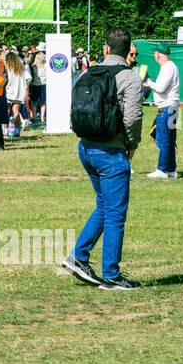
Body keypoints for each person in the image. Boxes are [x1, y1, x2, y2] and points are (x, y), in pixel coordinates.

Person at [61, 27, 144, 291]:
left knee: (104, 207)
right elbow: (132, 118)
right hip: (111, 152)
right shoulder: (130, 78)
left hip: (86, 147)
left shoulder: (89, 71)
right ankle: (111, 275)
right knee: (116, 214)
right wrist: (131, 146)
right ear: (128, 50)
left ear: (106, 48)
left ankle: (78, 257)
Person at [142, 45, 181, 180]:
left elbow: (161, 88)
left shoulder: (168, 67)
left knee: (164, 139)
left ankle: (162, 169)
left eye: (155, 54)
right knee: (169, 139)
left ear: (158, 55)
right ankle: (171, 169)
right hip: (173, 107)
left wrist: (148, 82)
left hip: (167, 108)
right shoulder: (171, 66)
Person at [4, 49, 29, 139]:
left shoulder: (6, 67)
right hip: (18, 92)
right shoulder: (21, 67)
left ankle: (6, 131)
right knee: (16, 112)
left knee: (6, 112)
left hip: (8, 91)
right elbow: (28, 79)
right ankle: (17, 131)